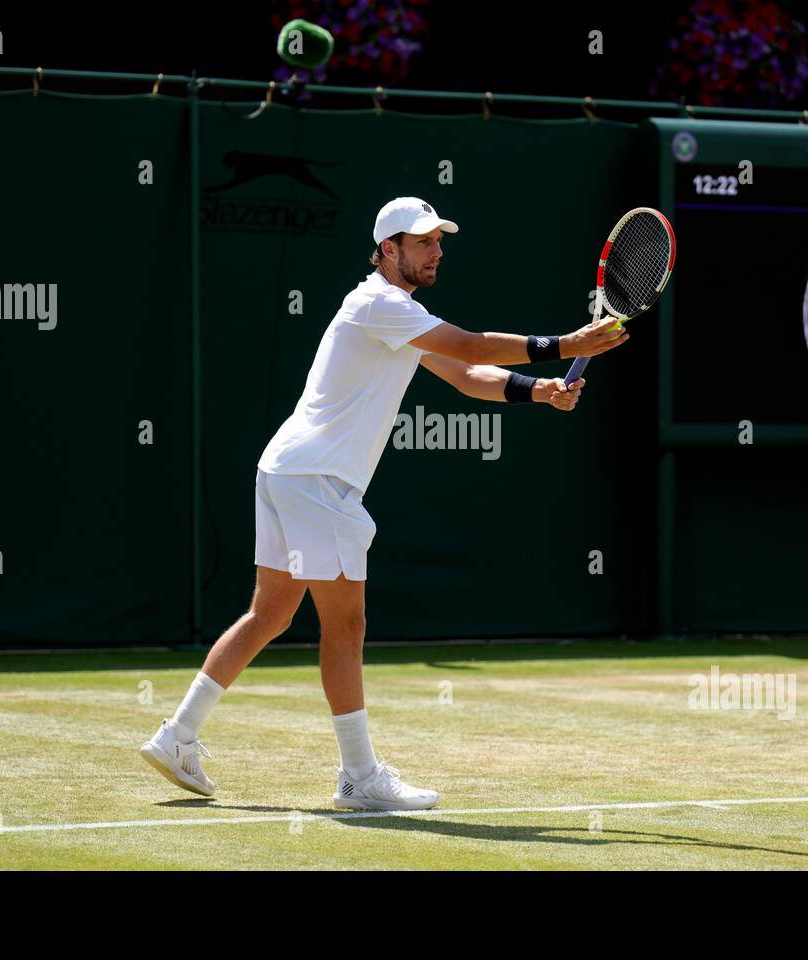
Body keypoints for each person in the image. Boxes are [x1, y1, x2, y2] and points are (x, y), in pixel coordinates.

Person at [142, 197, 627, 810]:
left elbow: (463, 374)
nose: (437, 250)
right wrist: (565, 342)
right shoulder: (379, 302)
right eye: (423, 242)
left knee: (270, 615)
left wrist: (539, 392)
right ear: (388, 249)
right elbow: (473, 345)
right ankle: (359, 777)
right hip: (316, 479)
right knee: (346, 624)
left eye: (439, 241)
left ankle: (177, 735)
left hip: (286, 470)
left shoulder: (398, 316)